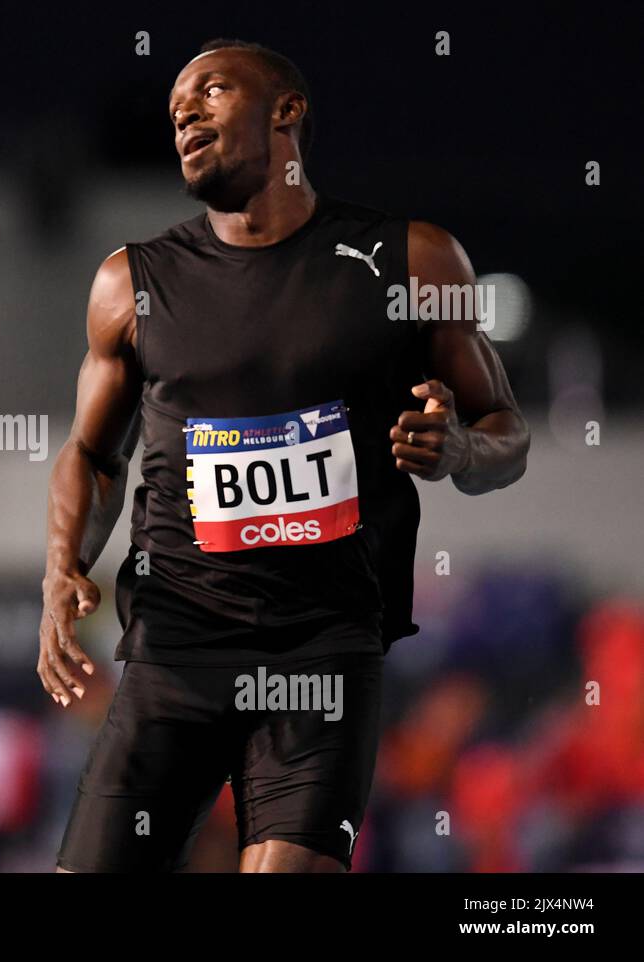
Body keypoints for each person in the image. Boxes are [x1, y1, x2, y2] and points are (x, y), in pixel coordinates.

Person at [40, 39, 529, 872]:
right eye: (173, 112)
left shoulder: (413, 261)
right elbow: (92, 453)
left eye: (212, 91)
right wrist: (62, 564)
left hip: (324, 652)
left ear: (287, 110)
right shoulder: (132, 283)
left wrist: (455, 453)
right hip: (177, 650)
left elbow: (505, 434)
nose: (185, 114)